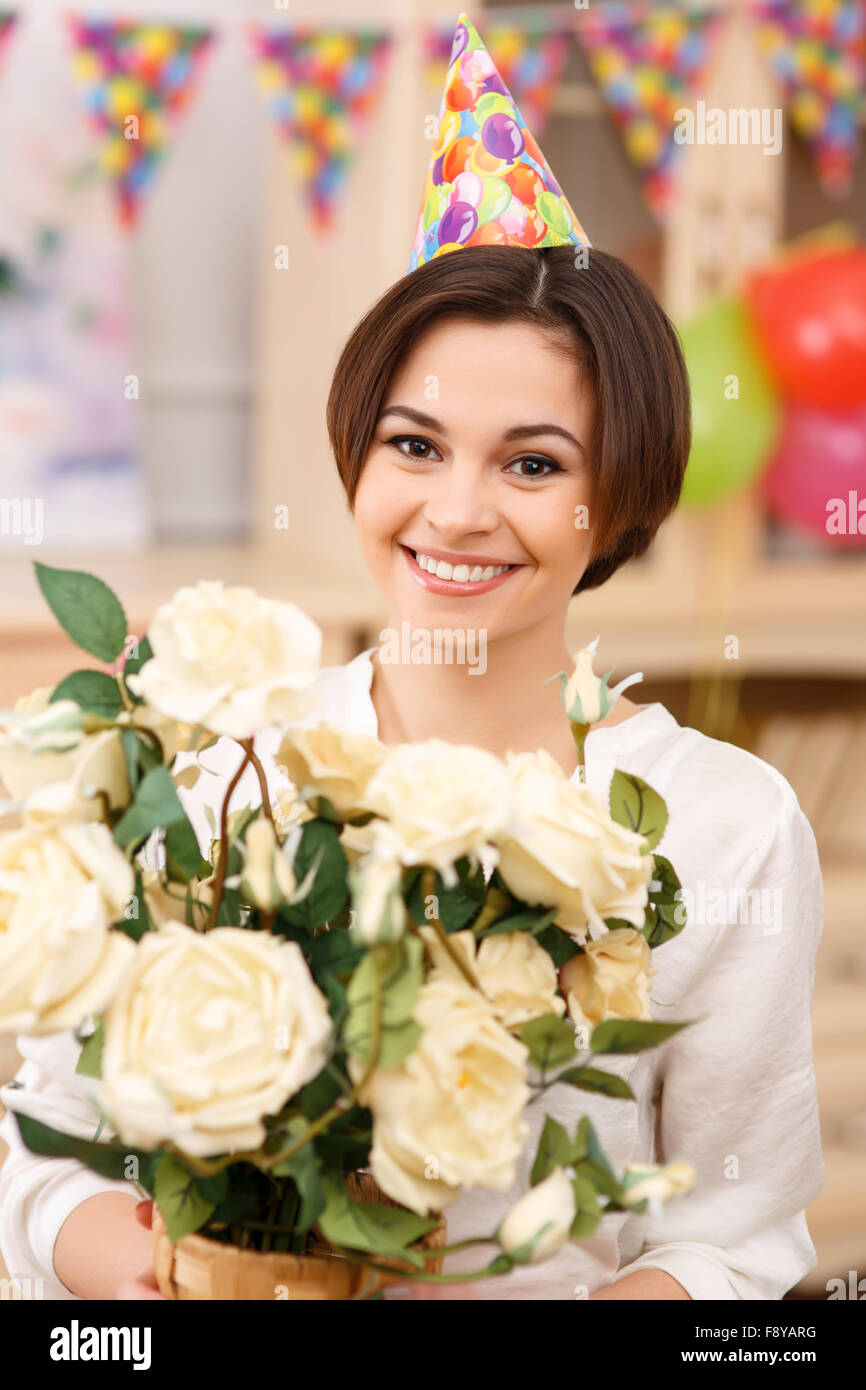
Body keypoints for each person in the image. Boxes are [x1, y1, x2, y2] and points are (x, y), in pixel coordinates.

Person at [0, 13, 824, 1301]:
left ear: (618, 498)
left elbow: (737, 1243)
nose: (455, 512)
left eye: (535, 463)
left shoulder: (724, 827)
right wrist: (184, 1283)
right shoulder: (213, 769)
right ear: (355, 455)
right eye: (415, 444)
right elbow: (42, 1163)